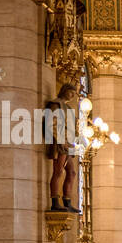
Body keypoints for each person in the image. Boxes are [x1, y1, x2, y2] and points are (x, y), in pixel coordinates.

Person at [44, 83, 81, 212]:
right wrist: (62, 140)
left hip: (68, 144)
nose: (72, 96)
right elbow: (51, 124)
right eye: (71, 92)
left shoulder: (67, 107)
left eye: (74, 94)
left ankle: (67, 202)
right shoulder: (56, 105)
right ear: (64, 91)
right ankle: (54, 202)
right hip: (59, 144)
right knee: (58, 171)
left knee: (71, 172)